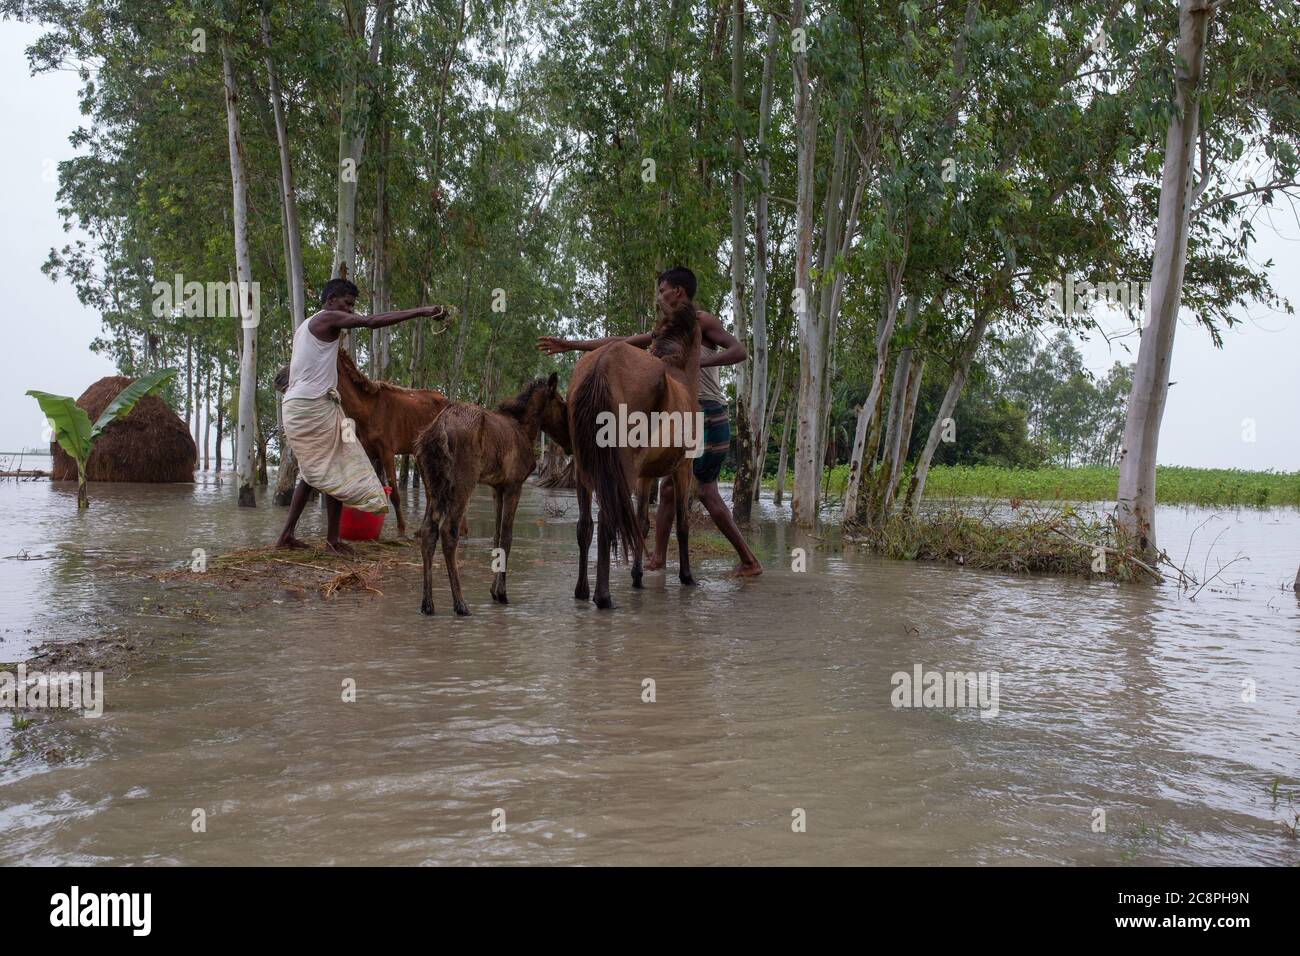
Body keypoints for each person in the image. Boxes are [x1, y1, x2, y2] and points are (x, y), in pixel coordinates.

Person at [537, 266, 762, 577]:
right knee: (671, 488)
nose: (659, 297)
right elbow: (624, 341)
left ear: (679, 292)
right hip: (679, 411)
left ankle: (749, 560)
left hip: (705, 411)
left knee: (704, 489)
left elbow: (739, 350)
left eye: (662, 290)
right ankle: (657, 557)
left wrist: (697, 362)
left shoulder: (702, 321)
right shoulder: (665, 329)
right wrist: (572, 345)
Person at [275, 278, 446, 553]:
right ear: (331, 300)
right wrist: (421, 311)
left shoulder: (305, 327)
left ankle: (295, 537)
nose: (351, 311)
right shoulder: (327, 318)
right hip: (311, 406)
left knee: (315, 472)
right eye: (348, 304)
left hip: (299, 406)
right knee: (337, 466)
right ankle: (330, 541)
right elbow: (371, 322)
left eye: (353, 306)